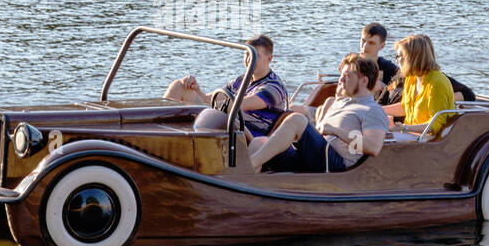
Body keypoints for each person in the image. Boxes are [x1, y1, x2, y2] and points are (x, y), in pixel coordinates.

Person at [248, 53, 387, 172]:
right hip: (316, 157)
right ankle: (244, 184)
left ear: (364, 80)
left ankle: (247, 167)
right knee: (258, 142)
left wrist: (336, 131)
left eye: (347, 76)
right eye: (341, 75)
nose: (341, 80)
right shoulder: (341, 103)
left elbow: (373, 147)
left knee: (297, 120)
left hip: (335, 166)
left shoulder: (372, 110)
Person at [164, 34, 287, 140]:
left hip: (244, 135)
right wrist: (195, 89)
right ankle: (160, 128)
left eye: (255, 56)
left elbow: (237, 105)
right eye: (246, 54)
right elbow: (210, 99)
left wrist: (206, 108)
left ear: (269, 58)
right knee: (180, 86)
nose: (249, 60)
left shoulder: (273, 87)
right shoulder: (242, 80)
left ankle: (176, 140)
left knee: (212, 113)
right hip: (227, 122)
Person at [382, 33, 456, 135]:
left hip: (429, 140)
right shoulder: (411, 78)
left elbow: (436, 125)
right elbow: (405, 107)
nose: (397, 60)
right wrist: (377, 109)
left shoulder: (437, 83)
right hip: (411, 136)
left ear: (411, 58)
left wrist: (404, 128)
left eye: (399, 56)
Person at [359, 23, 398, 95]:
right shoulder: (350, 65)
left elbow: (401, 90)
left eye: (371, 43)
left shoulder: (388, 68)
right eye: (363, 41)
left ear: (382, 46)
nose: (365, 46)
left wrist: (384, 87)